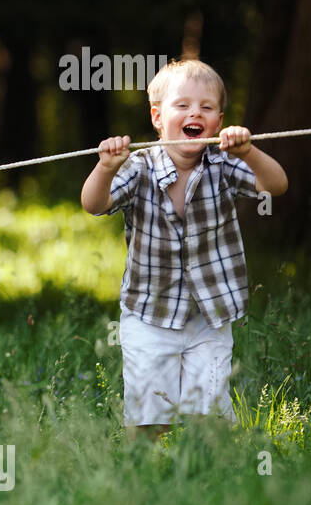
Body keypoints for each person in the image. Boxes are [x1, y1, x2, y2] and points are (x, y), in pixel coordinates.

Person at [80, 58, 288, 439]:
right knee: (147, 415)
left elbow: (276, 186)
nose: (195, 112)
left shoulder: (224, 164)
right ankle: (145, 475)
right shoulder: (138, 167)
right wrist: (105, 167)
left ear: (219, 121)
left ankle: (204, 473)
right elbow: (94, 204)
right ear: (158, 117)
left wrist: (249, 152)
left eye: (206, 108)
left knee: (208, 415)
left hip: (209, 316)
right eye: (183, 106)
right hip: (149, 313)